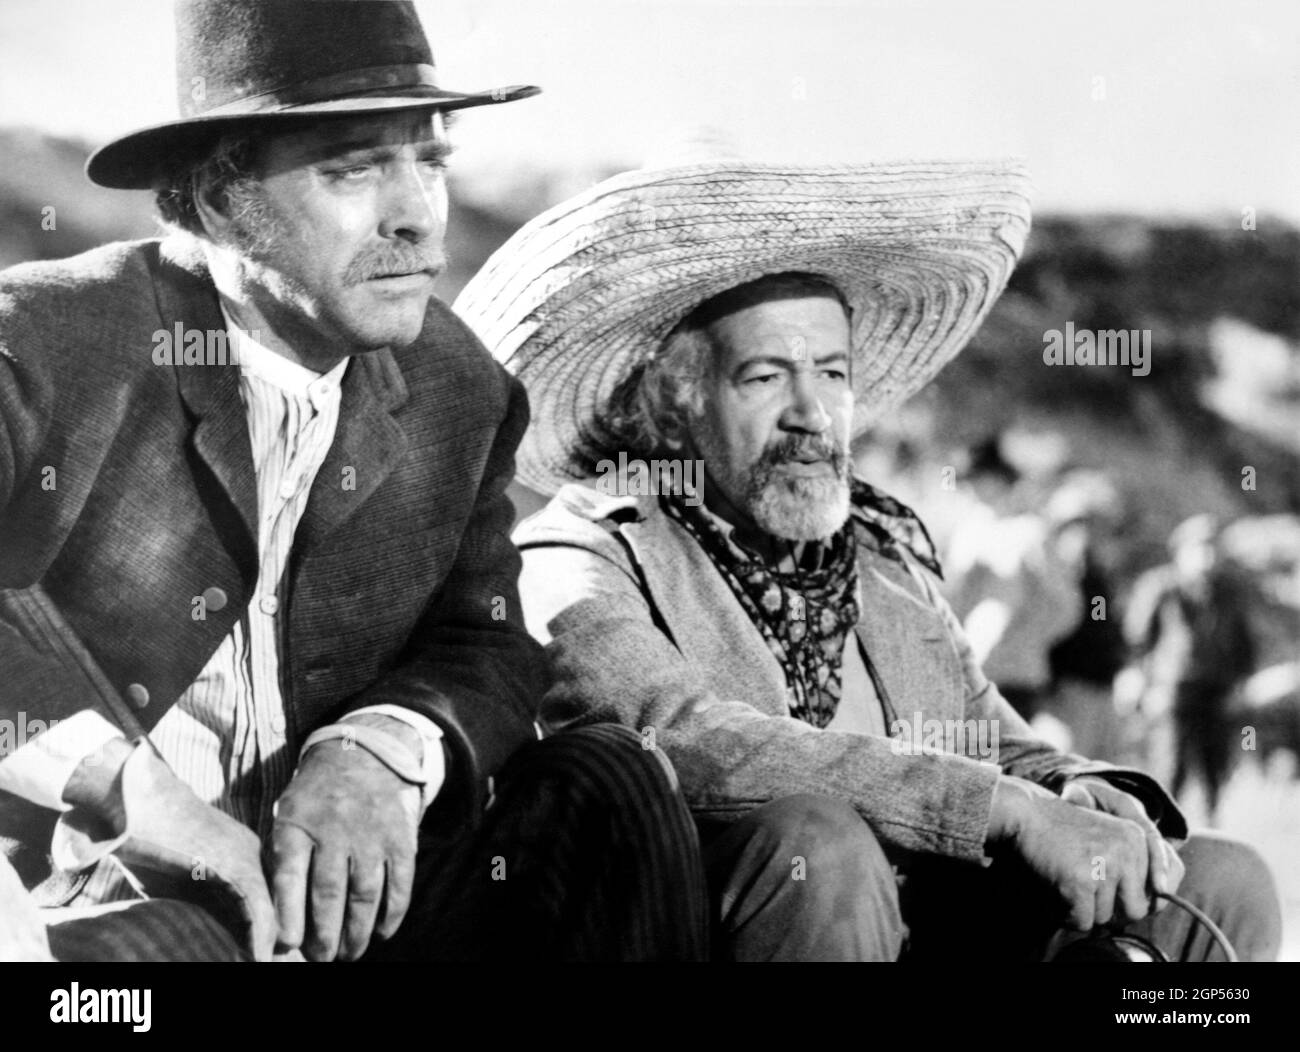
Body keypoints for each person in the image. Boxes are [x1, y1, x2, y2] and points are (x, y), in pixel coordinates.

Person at [0, 0, 706, 963]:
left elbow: (485, 641)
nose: (417, 213)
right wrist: (129, 787)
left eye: (431, 159)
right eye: (354, 167)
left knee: (611, 784)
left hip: (360, 906)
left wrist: (383, 745)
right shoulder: (41, 344)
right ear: (216, 201)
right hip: (109, 910)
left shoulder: (459, 386)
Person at [455, 160, 1282, 961]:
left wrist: (1077, 792)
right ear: (675, 407)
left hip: (945, 923)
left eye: (833, 373)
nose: (812, 415)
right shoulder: (585, 550)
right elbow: (681, 740)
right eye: (767, 376)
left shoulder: (880, 562)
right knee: (818, 843)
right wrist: (997, 806)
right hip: (726, 926)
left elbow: (993, 738)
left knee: (1228, 882)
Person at [1125, 514, 1260, 822]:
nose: (1207, 556)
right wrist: (1138, 681)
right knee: (1170, 766)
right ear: (1181, 550)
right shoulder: (1161, 586)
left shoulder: (1229, 593)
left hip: (1218, 692)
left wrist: (1241, 687)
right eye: (1199, 548)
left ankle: (1211, 833)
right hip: (1173, 690)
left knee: (1215, 768)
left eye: (1212, 548)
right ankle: (1161, 831)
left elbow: (1245, 644)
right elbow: (1137, 639)